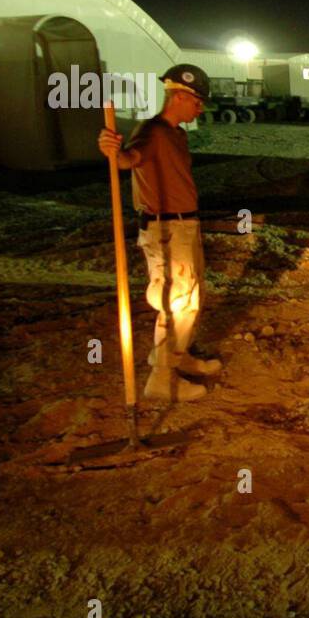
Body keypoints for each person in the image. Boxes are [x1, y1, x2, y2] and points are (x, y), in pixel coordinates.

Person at [97, 64, 221, 401]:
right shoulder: (152, 132)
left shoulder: (175, 133)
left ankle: (179, 357)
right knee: (178, 301)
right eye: (197, 101)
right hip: (165, 227)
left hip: (183, 224)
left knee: (193, 299)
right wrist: (112, 150)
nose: (201, 107)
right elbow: (128, 159)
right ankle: (162, 379)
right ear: (179, 96)